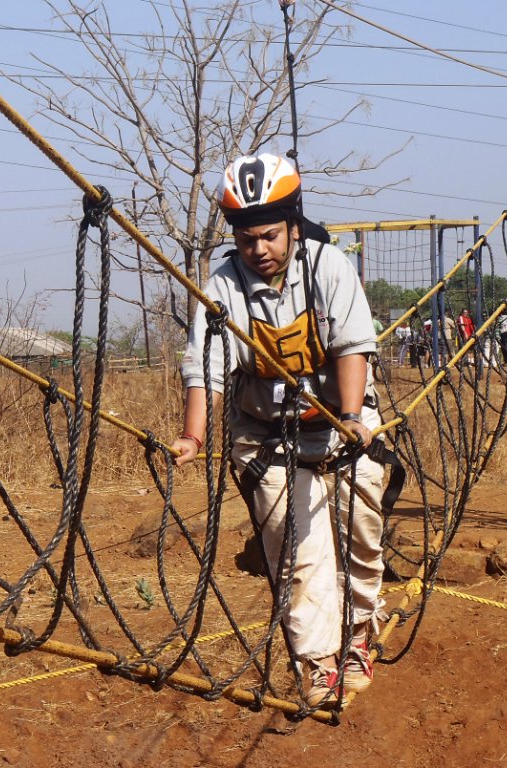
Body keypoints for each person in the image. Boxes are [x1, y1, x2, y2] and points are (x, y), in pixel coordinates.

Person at [172, 153, 389, 709]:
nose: (259, 249)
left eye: (269, 236)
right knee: (300, 551)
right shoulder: (219, 290)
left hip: (342, 427)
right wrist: (194, 438)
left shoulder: (329, 267)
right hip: (266, 437)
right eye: (247, 240)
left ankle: (360, 633)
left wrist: (355, 423)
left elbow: (352, 347)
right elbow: (206, 370)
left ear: (293, 226)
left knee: (361, 529)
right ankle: (318, 664)